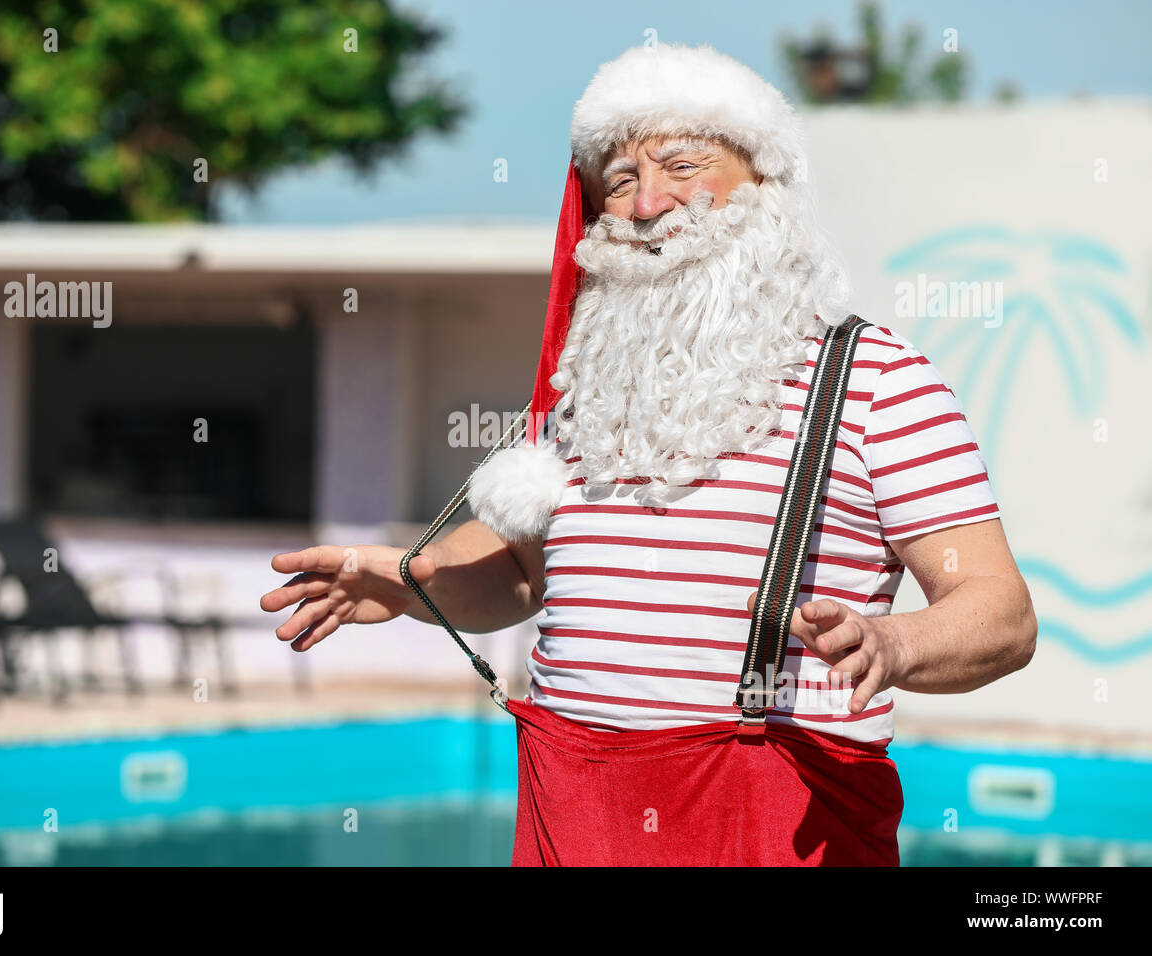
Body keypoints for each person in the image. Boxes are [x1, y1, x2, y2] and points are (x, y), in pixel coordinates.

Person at [259, 43, 1037, 866]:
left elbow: (1002, 612)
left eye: (681, 164)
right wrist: (411, 581)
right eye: (620, 179)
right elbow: (522, 576)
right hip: (574, 814)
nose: (646, 201)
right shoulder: (584, 391)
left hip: (775, 818)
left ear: (766, 186)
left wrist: (897, 644)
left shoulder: (878, 379)